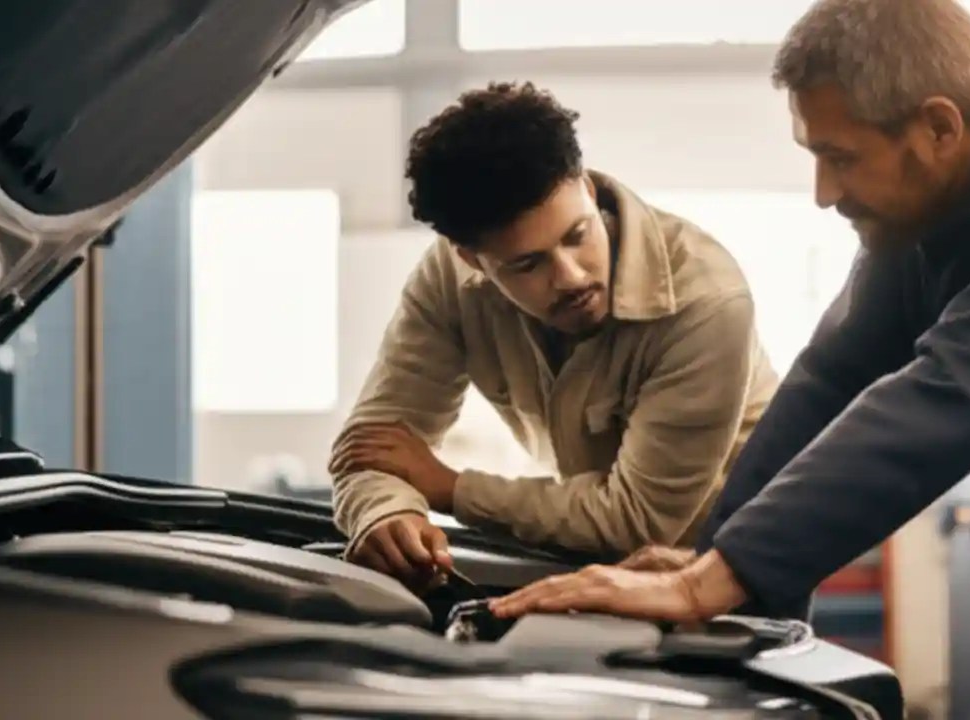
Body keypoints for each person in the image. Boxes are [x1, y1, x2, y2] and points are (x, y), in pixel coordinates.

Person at [489, 1, 970, 717]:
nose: (823, 194)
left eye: (839, 158)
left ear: (940, 126)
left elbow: (958, 385)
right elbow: (832, 377)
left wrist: (717, 579)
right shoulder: (935, 202)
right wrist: (718, 557)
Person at [329, 81, 780, 591]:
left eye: (577, 236)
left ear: (587, 189)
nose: (570, 276)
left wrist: (451, 489)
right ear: (472, 259)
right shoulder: (449, 283)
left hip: (732, 563)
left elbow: (636, 521)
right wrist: (388, 516)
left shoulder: (706, 302)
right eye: (527, 263)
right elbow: (372, 448)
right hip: (589, 558)